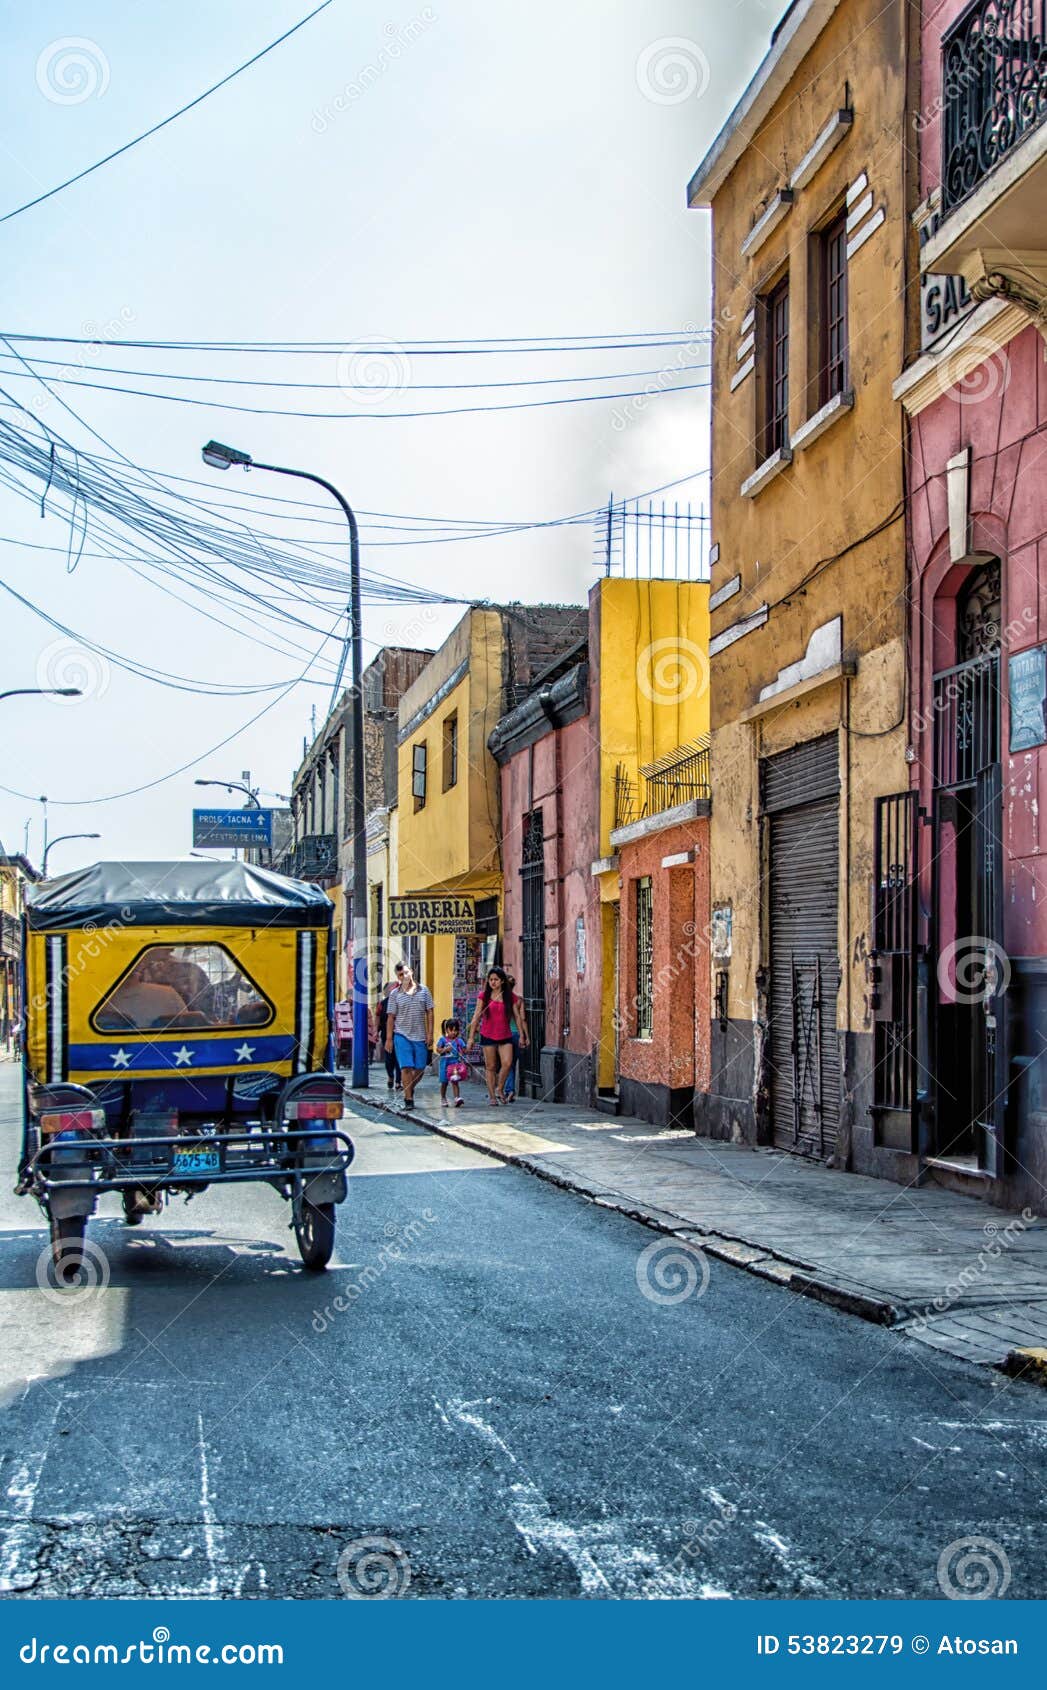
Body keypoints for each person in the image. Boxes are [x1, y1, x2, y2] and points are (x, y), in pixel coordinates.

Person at [467, 966, 529, 1106]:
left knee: (507, 1063)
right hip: (487, 1034)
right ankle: (492, 1097)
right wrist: (471, 1038)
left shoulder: (509, 997)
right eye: (490, 980)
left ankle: (499, 1088)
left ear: (502, 981)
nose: (493, 982)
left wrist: (521, 1035)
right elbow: (476, 1016)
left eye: (496, 980)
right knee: (491, 1066)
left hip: (505, 1034)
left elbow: (517, 1017)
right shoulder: (484, 996)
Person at [384, 962, 433, 1111]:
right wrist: (389, 1039)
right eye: (400, 975)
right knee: (406, 1068)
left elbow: (430, 1012)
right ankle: (408, 1099)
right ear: (397, 977)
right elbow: (391, 1017)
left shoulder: (424, 991)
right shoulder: (394, 994)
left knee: (420, 1068)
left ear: (411, 971)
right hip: (401, 1035)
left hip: (420, 1036)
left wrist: (430, 1033)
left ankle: (409, 1088)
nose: (404, 976)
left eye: (406, 972)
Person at [376, 971, 403, 1091]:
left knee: (399, 1058)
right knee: (389, 1058)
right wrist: (376, 1031)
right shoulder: (382, 1004)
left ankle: (398, 1081)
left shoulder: (402, 1001)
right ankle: (390, 1076)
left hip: (401, 1033)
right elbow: (377, 1016)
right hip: (387, 1034)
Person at [436, 1018, 468, 1108]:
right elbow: (438, 1050)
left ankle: (457, 1098)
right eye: (452, 1030)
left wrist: (465, 1049)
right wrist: (445, 1049)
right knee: (444, 1082)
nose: (454, 1032)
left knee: (455, 1081)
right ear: (447, 1030)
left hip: (455, 1064)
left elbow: (465, 1050)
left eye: (456, 1030)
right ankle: (443, 1098)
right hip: (444, 1064)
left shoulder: (459, 1041)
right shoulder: (443, 1040)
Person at [502, 971, 522, 1101]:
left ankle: (508, 1089)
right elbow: (522, 1018)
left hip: (504, 1035)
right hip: (516, 1034)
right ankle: (509, 1090)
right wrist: (523, 1035)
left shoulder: (502, 1000)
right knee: (511, 1063)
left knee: (506, 1064)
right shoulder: (518, 999)